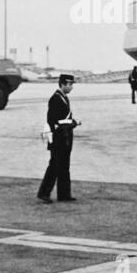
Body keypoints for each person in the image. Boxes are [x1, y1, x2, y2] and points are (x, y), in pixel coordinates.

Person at [37, 74, 80, 202]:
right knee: (55, 165)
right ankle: (44, 192)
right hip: (58, 137)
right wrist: (72, 123)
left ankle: (64, 194)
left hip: (65, 136)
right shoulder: (55, 99)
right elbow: (53, 120)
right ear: (62, 84)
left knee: (64, 166)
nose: (71, 87)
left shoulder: (64, 98)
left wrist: (71, 123)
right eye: (69, 84)